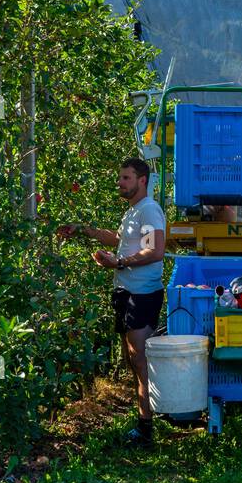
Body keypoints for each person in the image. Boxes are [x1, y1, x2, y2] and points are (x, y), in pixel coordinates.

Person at [65, 157, 166, 447]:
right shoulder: (133, 212)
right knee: (133, 359)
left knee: (140, 359)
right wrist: (85, 230)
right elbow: (120, 239)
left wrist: (119, 262)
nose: (120, 182)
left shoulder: (148, 210)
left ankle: (146, 428)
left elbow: (155, 251)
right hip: (126, 292)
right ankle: (143, 421)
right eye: (120, 177)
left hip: (142, 294)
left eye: (126, 178)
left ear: (142, 180)